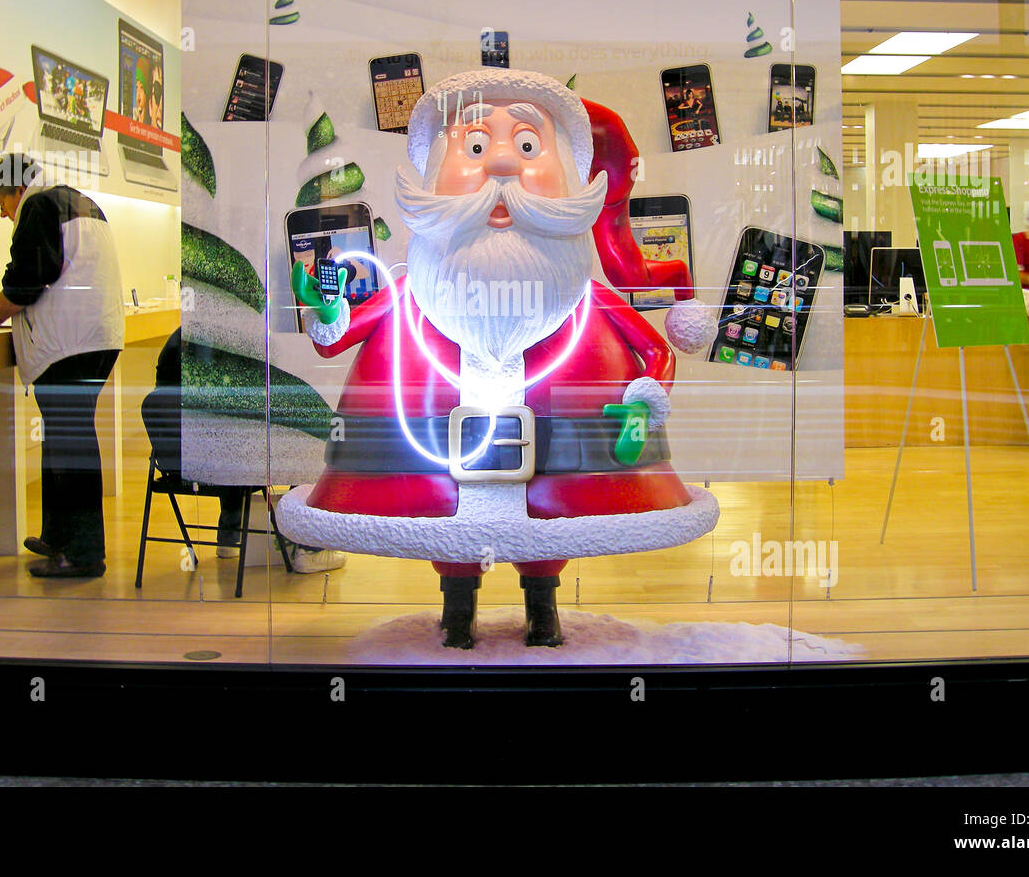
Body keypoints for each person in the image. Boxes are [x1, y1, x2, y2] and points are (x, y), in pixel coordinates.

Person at [277, 70, 717, 648]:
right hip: (429, 457)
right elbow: (335, 337)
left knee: (550, 531)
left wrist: (644, 401)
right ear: (436, 172)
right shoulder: (414, 294)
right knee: (448, 538)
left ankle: (542, 609)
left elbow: (654, 350)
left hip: (564, 458)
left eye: (529, 146)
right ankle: (457, 611)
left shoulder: (580, 299)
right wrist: (323, 307)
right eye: (477, 146)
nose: (503, 164)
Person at [0, 153, 125, 577]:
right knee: (63, 438)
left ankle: (83, 554)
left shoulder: (39, 205)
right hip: (96, 337)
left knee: (70, 441)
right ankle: (58, 536)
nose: (4, 212)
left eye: (0, 203)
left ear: (14, 189)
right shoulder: (78, 201)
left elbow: (27, 280)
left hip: (68, 343)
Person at [141, 328, 346, 573]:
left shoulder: (176, 344)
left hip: (177, 468)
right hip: (224, 462)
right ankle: (307, 548)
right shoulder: (239, 340)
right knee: (316, 436)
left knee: (228, 435)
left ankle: (230, 532)